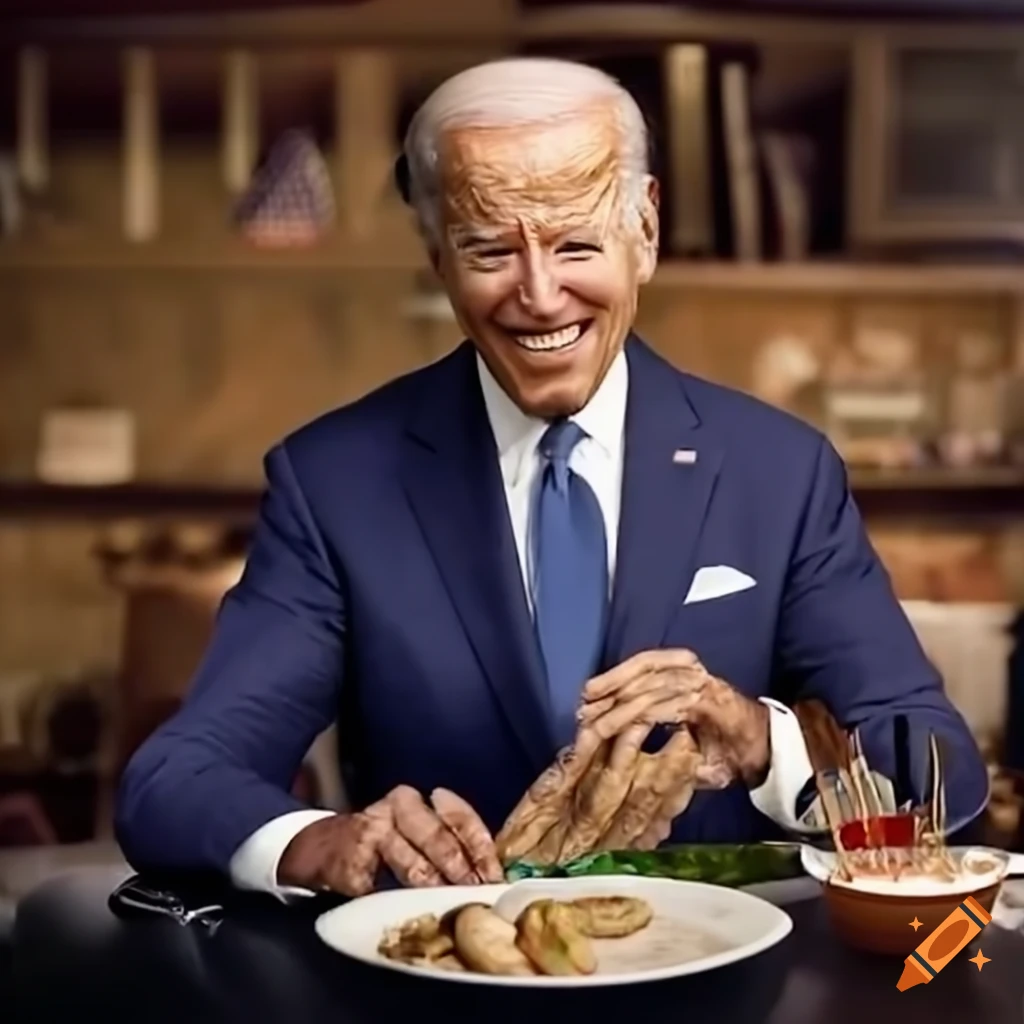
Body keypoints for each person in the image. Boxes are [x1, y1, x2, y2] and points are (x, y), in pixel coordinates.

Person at [114, 57, 988, 900]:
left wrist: (762, 741)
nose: (538, 294)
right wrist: (318, 841)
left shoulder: (782, 473)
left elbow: (940, 769)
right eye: (490, 250)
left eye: (575, 242)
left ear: (643, 230)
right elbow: (176, 780)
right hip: (437, 989)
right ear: (437, 256)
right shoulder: (333, 482)